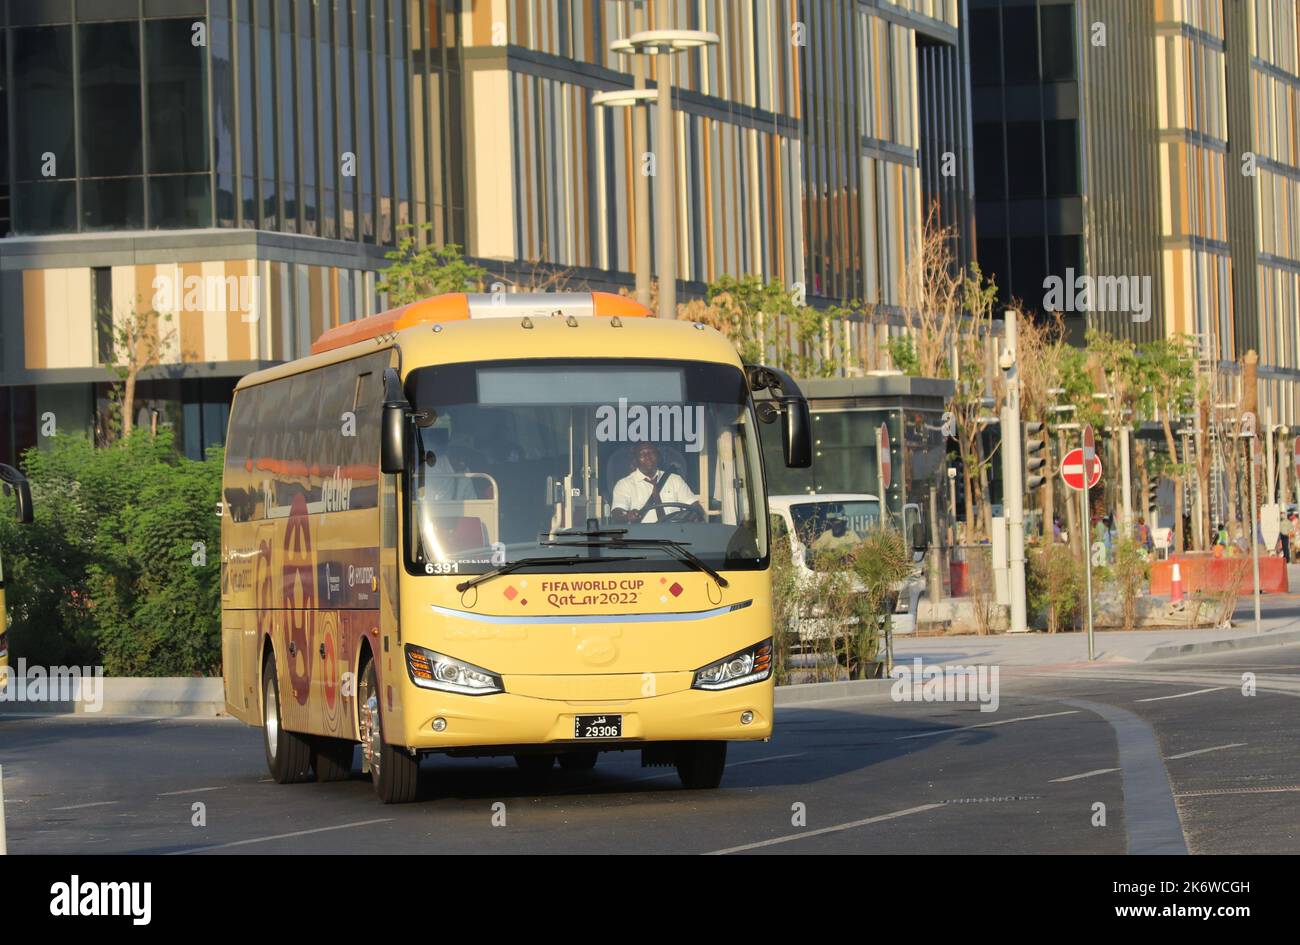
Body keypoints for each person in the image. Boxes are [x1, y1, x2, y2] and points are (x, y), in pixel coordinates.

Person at [610, 443, 700, 524]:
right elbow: (617, 513)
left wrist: (693, 516)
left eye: (651, 452)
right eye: (642, 454)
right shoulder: (624, 484)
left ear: (658, 456)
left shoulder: (675, 480)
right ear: (635, 461)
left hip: (675, 534)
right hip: (643, 538)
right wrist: (627, 516)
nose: (647, 456)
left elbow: (695, 507)